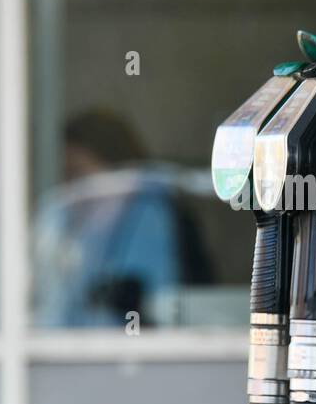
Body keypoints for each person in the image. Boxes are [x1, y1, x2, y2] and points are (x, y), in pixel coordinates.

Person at [32, 109, 210, 328]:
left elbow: (156, 307)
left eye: (79, 174)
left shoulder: (150, 214)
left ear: (121, 175)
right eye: (66, 176)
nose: (74, 190)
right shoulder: (66, 222)